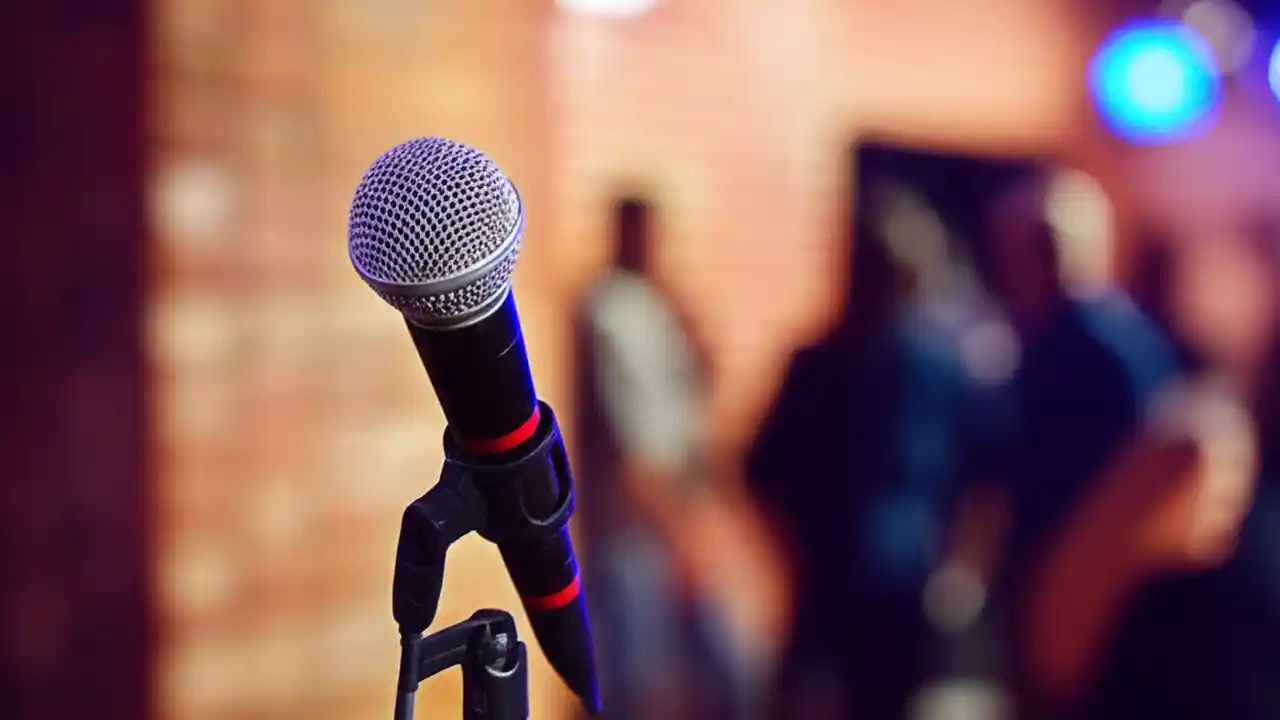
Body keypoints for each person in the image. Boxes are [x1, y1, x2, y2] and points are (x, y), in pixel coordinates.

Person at [986, 173, 1263, 719]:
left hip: (1088, 582)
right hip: (1057, 570)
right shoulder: (1054, 337)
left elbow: (1143, 482)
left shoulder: (1106, 345)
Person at [747, 177, 1010, 720]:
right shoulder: (832, 365)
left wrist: (962, 569)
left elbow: (986, 475)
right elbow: (763, 471)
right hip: (852, 587)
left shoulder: (929, 367)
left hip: (887, 591)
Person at [575, 198, 747, 719]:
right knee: (631, 677)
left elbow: (691, 411)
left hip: (675, 510)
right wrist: (680, 536)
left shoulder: (657, 305)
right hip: (636, 521)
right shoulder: (610, 308)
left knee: (716, 671)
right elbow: (633, 442)